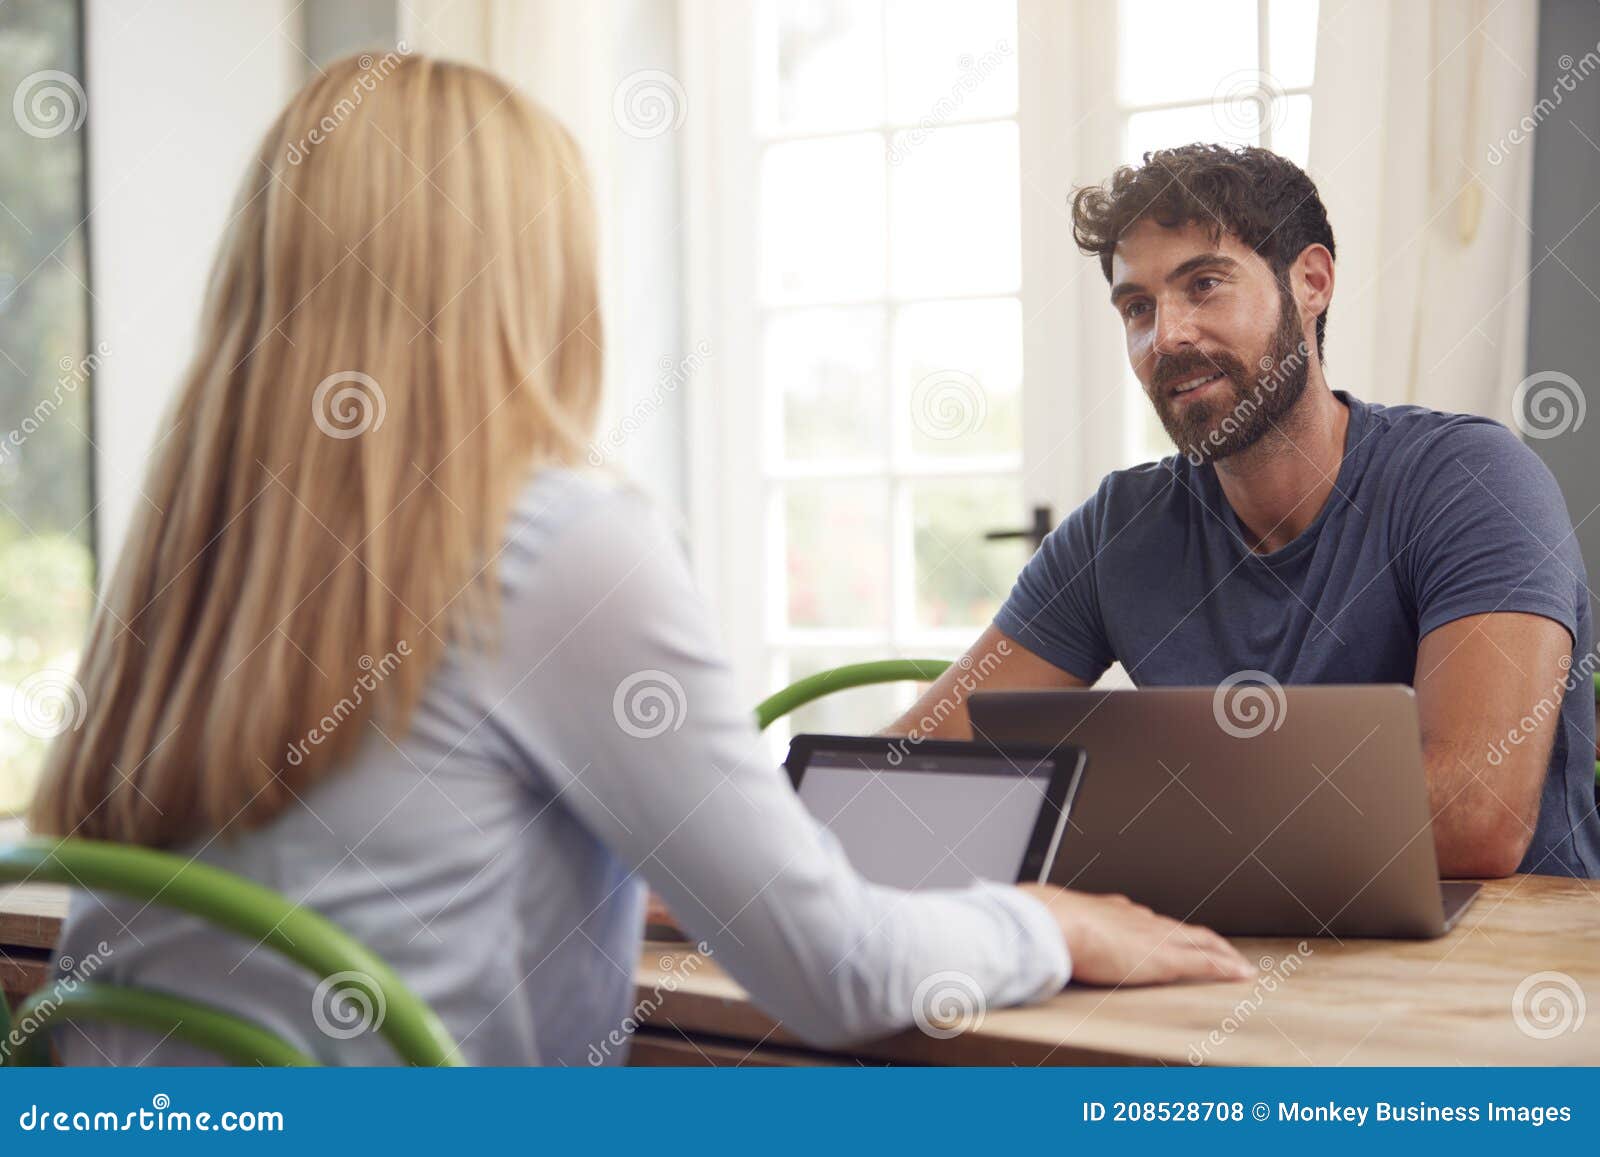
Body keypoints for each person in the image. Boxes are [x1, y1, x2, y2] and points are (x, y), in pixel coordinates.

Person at [29, 55, 1250, 1067]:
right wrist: (1040, 921)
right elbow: (836, 973)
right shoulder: (557, 541)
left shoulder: (186, 552)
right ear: (527, 283)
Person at [888, 144, 1600, 881]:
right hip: (1235, 962)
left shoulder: (1471, 481)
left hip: (1501, 970)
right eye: (1138, 307)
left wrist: (1129, 829)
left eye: (1204, 285)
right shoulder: (1121, 528)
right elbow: (909, 770)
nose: (1166, 336)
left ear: (1312, 282)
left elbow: (1474, 819)